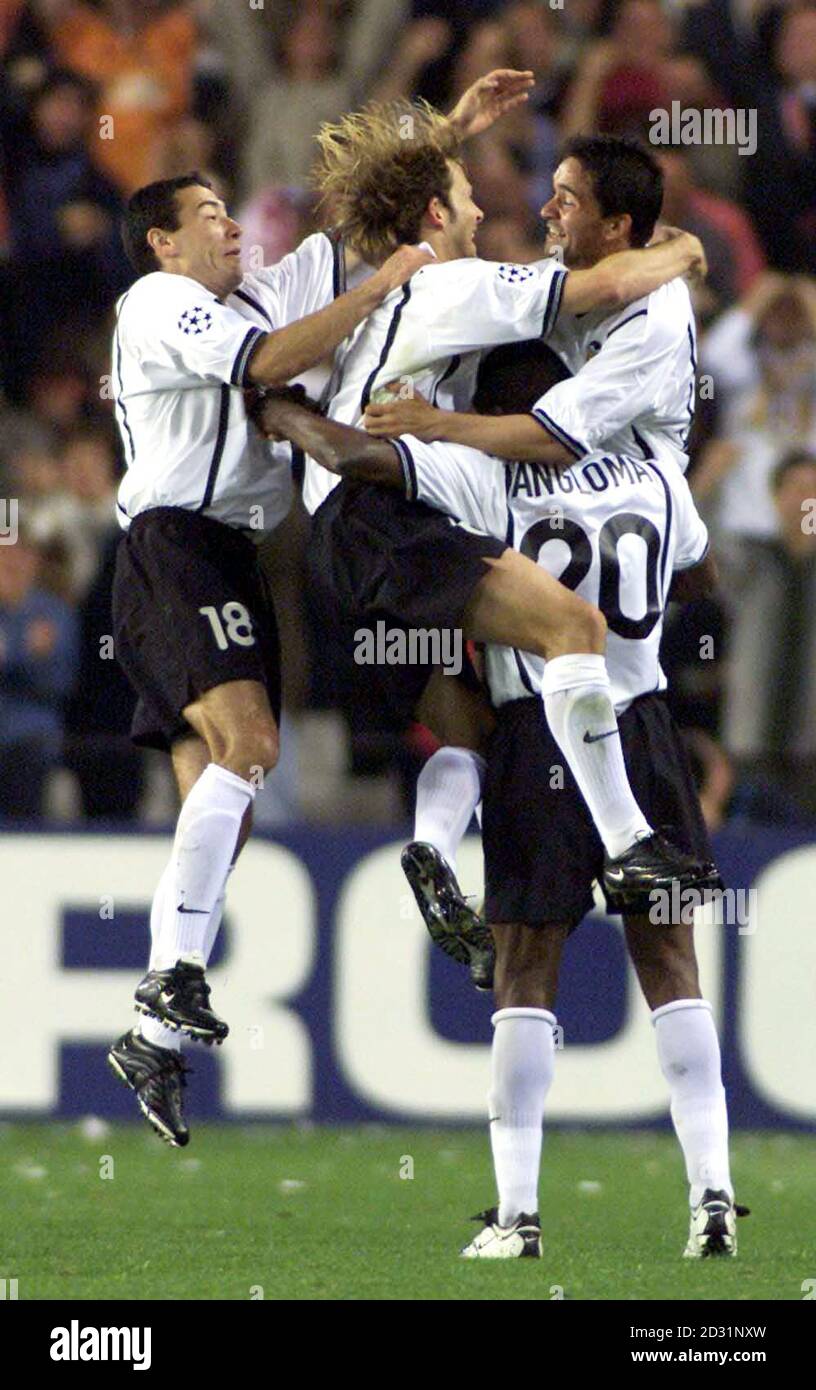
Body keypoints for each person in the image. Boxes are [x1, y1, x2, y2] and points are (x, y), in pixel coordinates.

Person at [253, 371, 739, 1264]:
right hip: (645, 728)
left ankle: (519, 1216)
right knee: (673, 964)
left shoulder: (489, 470)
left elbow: (362, 462)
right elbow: (702, 575)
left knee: (524, 973)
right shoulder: (658, 473)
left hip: (539, 730)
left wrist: (284, 413)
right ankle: (712, 1196)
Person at [105, 169, 431, 1148]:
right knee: (251, 747)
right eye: (206, 214)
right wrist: (379, 289)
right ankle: (172, 977)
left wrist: (453, 125)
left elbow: (359, 217)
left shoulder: (265, 287)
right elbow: (270, 361)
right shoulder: (158, 301)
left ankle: (153, 1034)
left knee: (223, 801)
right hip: (176, 543)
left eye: (227, 209)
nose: (228, 223)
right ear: (162, 243)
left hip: (231, 555)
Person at [355, 132, 708, 968]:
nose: (511, 211)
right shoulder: (465, 287)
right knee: (567, 637)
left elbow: (553, 424)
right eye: (467, 200)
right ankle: (627, 841)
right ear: (436, 213)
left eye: (566, 197)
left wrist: (305, 424)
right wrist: (685, 249)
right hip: (602, 639)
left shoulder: (391, 289)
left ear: (614, 223)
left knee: (475, 729)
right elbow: (598, 307)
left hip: (394, 516)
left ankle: (434, 839)